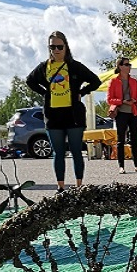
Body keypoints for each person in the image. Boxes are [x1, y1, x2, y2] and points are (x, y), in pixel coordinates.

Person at [26, 32, 100, 193]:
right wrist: (45, 92)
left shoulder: (74, 66)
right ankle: (60, 187)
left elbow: (96, 81)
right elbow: (29, 80)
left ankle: (79, 186)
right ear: (49, 48)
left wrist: (82, 91)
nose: (56, 50)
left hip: (73, 115)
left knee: (76, 151)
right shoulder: (44, 66)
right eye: (52, 47)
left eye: (60, 46)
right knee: (58, 153)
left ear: (66, 47)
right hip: (53, 116)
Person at [107, 56, 137, 173]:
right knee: (121, 140)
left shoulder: (134, 81)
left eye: (129, 65)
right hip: (121, 113)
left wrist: (134, 100)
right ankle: (121, 166)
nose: (129, 67)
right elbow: (109, 99)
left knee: (134, 140)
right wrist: (122, 101)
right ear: (120, 66)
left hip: (133, 112)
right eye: (126, 64)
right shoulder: (113, 81)